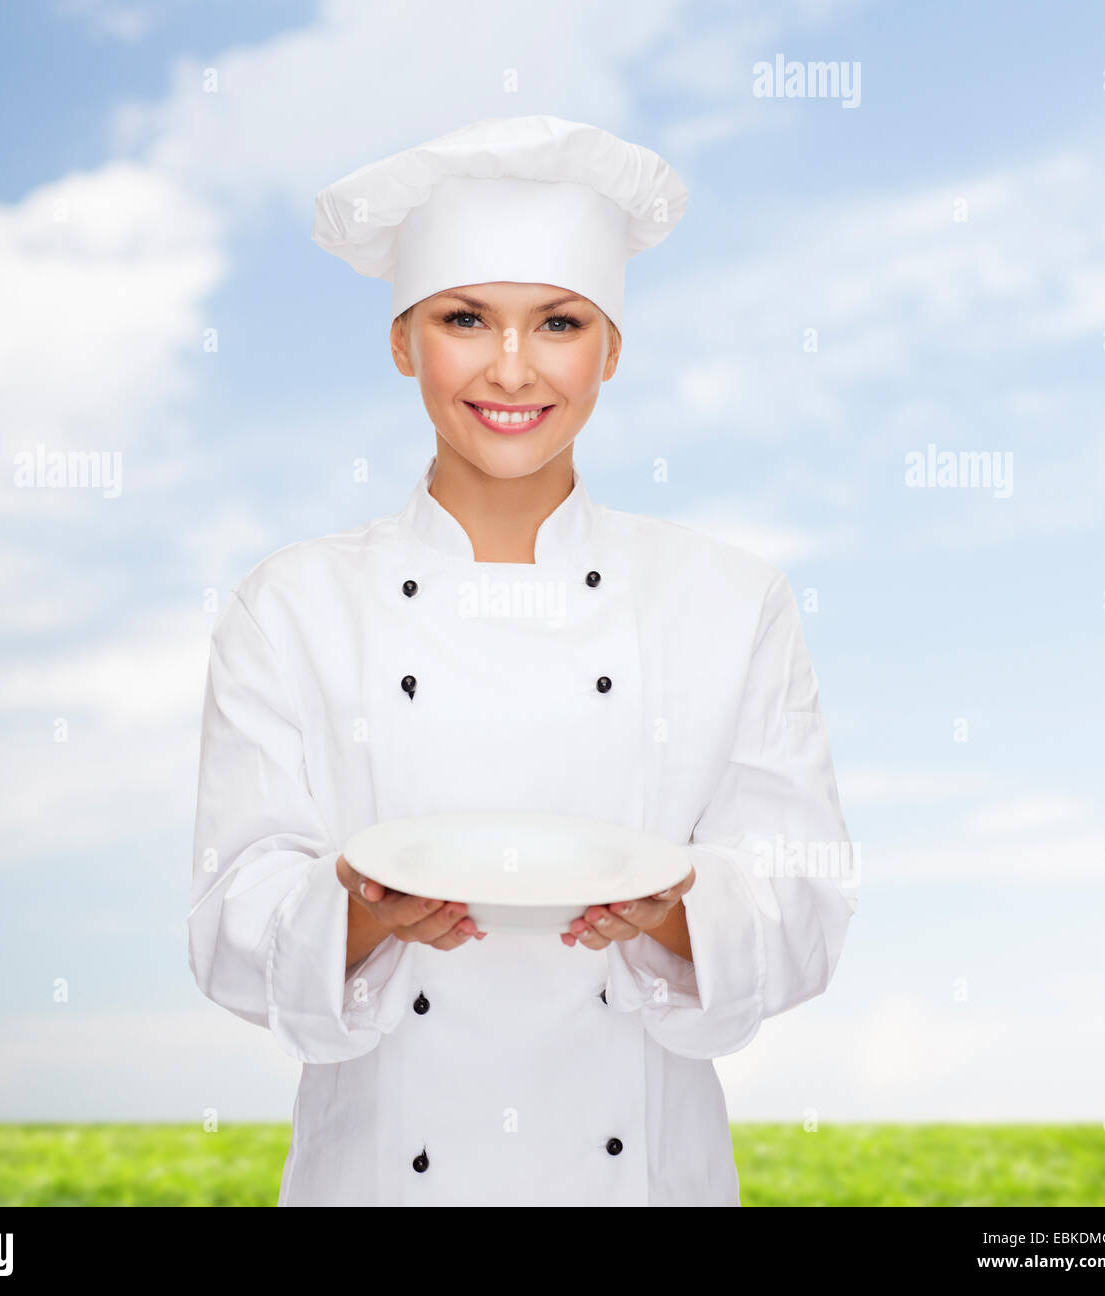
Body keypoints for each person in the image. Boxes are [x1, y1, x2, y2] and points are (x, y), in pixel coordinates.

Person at [188, 114, 857, 1207]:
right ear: (404, 341)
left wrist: (674, 909)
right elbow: (228, 922)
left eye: (556, 322)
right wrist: (362, 910)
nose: (511, 367)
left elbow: (805, 901)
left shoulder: (730, 601)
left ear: (611, 350)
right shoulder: (292, 605)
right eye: (465, 319)